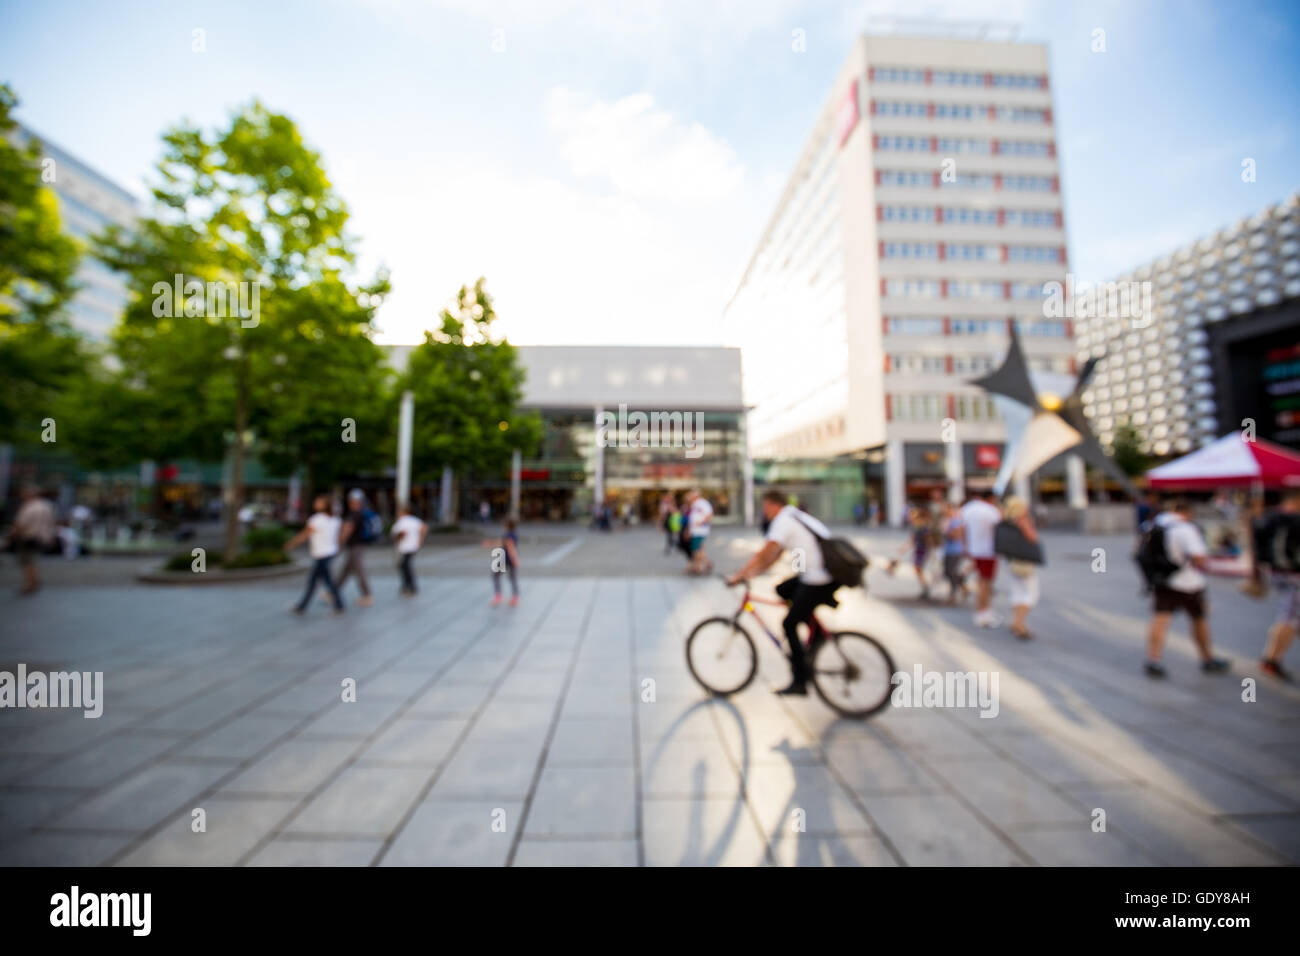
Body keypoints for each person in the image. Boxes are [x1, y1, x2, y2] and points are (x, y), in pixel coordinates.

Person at [728, 489, 839, 696]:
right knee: (783, 588)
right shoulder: (793, 515)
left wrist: (739, 575)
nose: (764, 512)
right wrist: (751, 573)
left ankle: (800, 681)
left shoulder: (783, 521)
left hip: (817, 579)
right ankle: (814, 632)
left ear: (772, 504)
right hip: (823, 575)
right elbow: (774, 556)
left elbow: (766, 552)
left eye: (765, 507)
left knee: (788, 624)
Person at [1144, 497, 1229, 678]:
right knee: (1199, 619)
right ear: (1188, 512)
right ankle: (1207, 658)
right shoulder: (1186, 529)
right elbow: (1199, 558)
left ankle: (1153, 660)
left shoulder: (1153, 525)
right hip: (1189, 582)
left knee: (1160, 620)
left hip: (1163, 581)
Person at [1254, 490, 1300, 680]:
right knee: (1289, 617)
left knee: (1289, 614)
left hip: (1275, 572)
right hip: (1292, 574)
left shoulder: (1269, 517)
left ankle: (1272, 657)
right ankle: (1271, 658)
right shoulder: (1293, 520)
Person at [284, 495, 345, 615]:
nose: (315, 503)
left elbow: (305, 534)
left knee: (322, 582)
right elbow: (338, 537)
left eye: (319, 502)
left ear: (325, 505)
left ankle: (304, 606)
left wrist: (292, 543)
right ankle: (304, 606)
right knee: (320, 581)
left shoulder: (317, 519)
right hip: (330, 553)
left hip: (322, 554)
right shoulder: (335, 519)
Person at [960, 489, 1003, 628]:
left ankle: (983, 611)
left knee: (981, 582)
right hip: (988, 551)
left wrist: (965, 547)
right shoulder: (991, 511)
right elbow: (999, 529)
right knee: (986, 583)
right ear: (991, 498)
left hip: (975, 550)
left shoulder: (969, 508)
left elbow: (963, 529)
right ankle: (983, 613)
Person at [1001, 496, 1040, 640]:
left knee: (1017, 592)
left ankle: (1015, 622)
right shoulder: (1022, 520)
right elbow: (1033, 538)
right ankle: (1019, 624)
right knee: (1031, 594)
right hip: (1023, 560)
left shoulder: (1006, 521)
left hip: (1010, 560)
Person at [7, 485, 56, 595]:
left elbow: (21, 524)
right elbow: (51, 522)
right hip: (41, 537)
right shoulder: (46, 506)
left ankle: (30, 584)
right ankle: (34, 582)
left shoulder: (29, 507)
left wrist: (11, 535)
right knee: (33, 560)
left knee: (27, 562)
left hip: (28, 537)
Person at [336, 490, 374, 607]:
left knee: (358, 569)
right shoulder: (361, 513)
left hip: (356, 545)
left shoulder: (354, 514)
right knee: (347, 569)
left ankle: (367, 595)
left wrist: (340, 542)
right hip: (357, 545)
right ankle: (334, 590)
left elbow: (348, 529)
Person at [392, 505, 427, 596]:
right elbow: (424, 527)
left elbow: (397, 534)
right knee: (404, 565)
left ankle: (411, 586)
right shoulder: (414, 520)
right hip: (413, 547)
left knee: (405, 566)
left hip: (406, 547)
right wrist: (420, 539)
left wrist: (399, 537)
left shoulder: (402, 522)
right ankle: (406, 585)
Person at [488, 517, 521, 606]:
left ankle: (499, 596)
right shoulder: (512, 534)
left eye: (504, 524)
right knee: (512, 578)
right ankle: (515, 597)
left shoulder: (508, 535)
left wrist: (515, 559)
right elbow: (503, 543)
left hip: (505, 559)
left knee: (496, 576)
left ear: (507, 525)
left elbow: (510, 547)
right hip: (507, 559)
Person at [941, 500, 968, 604]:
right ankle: (962, 585)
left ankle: (953, 593)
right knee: (947, 572)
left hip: (955, 550)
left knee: (951, 571)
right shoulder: (946, 520)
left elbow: (956, 535)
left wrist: (947, 532)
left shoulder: (956, 521)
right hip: (948, 549)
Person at [685, 488, 714, 575]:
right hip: (695, 530)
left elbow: (709, 515)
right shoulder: (694, 505)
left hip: (700, 530)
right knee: (699, 549)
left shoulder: (703, 503)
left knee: (695, 550)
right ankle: (698, 567)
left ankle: (706, 563)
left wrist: (700, 523)